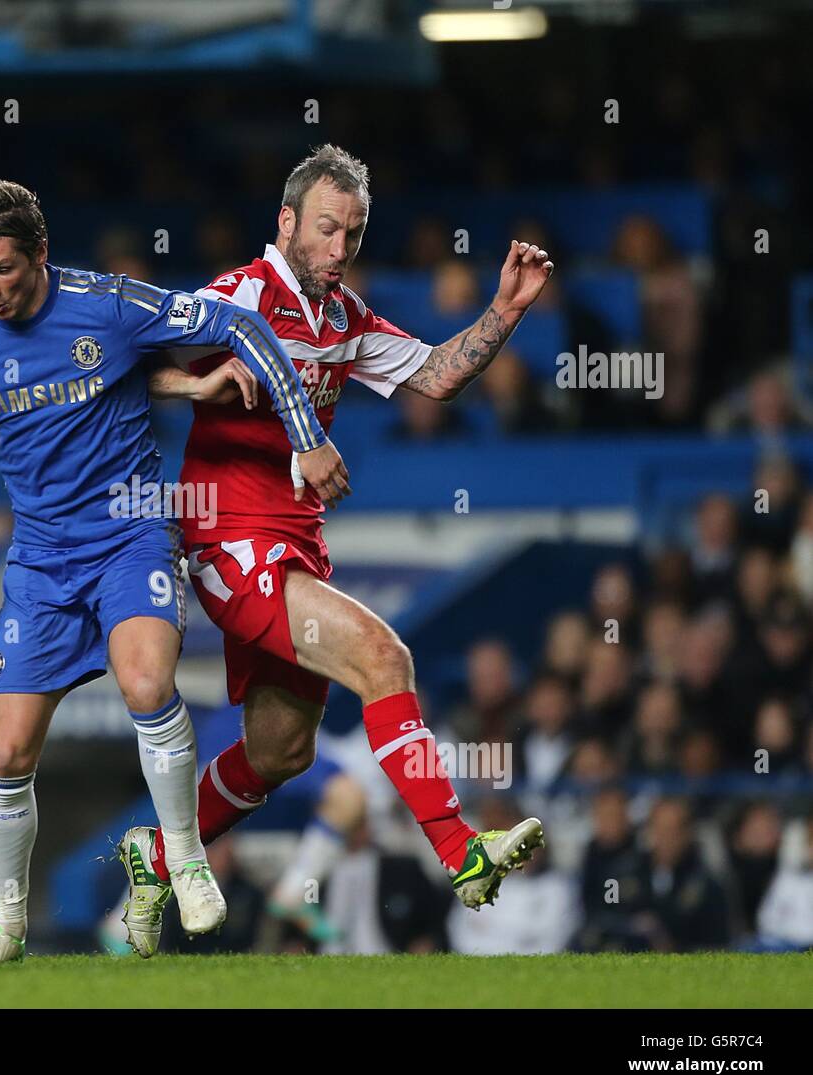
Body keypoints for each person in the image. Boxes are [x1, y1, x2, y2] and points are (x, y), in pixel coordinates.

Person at [0, 179, 349, 966]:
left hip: (131, 534)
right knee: (6, 753)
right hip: (39, 564)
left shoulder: (111, 303)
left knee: (143, 682)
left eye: (5, 269)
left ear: (40, 253)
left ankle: (188, 861)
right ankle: (5, 927)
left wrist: (305, 435)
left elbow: (237, 323)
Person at [120, 145, 552, 957]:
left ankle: (156, 849)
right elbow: (123, 365)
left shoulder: (344, 318)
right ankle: (463, 852)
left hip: (296, 546)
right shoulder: (235, 296)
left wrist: (504, 310)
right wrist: (201, 386)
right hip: (229, 540)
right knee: (384, 658)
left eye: (351, 234)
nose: (338, 249)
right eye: (324, 229)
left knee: (280, 751)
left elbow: (433, 376)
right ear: (285, 222)